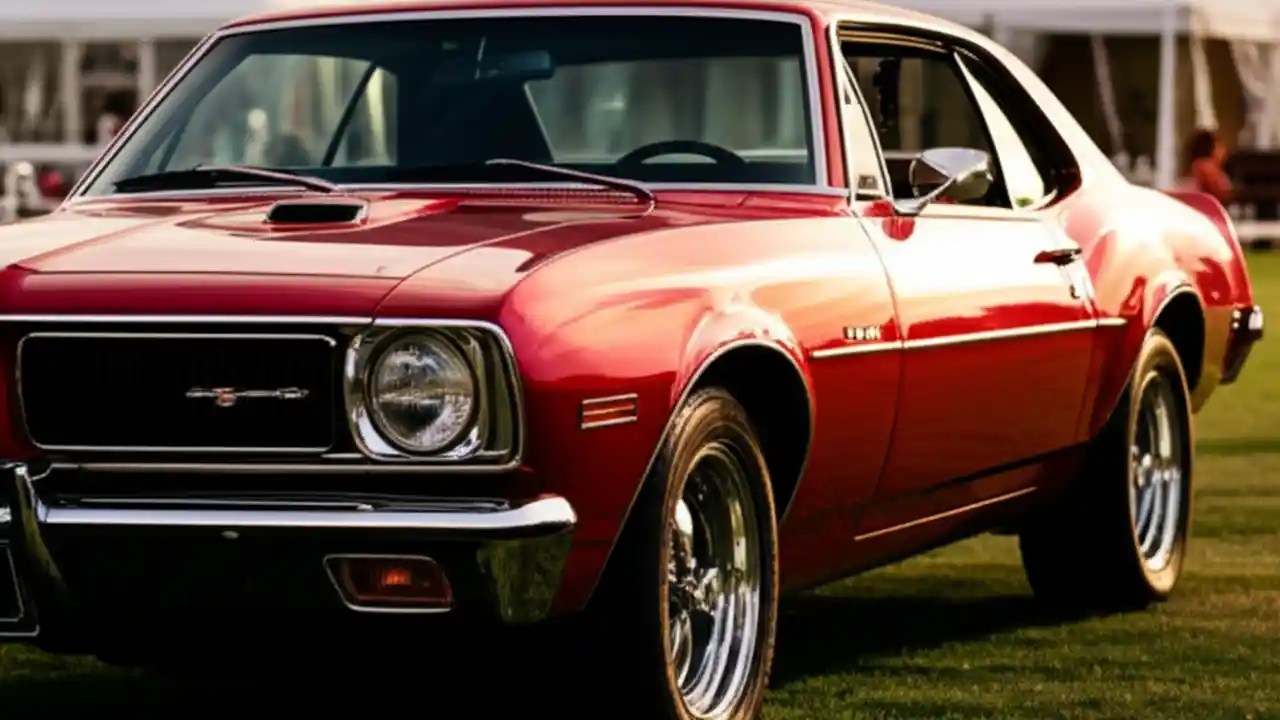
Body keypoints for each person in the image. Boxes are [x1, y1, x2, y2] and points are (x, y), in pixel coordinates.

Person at [1180, 128, 1233, 205]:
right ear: (1210, 148)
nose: (1225, 151)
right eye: (1220, 147)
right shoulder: (1205, 165)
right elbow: (1224, 191)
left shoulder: (1195, 166)